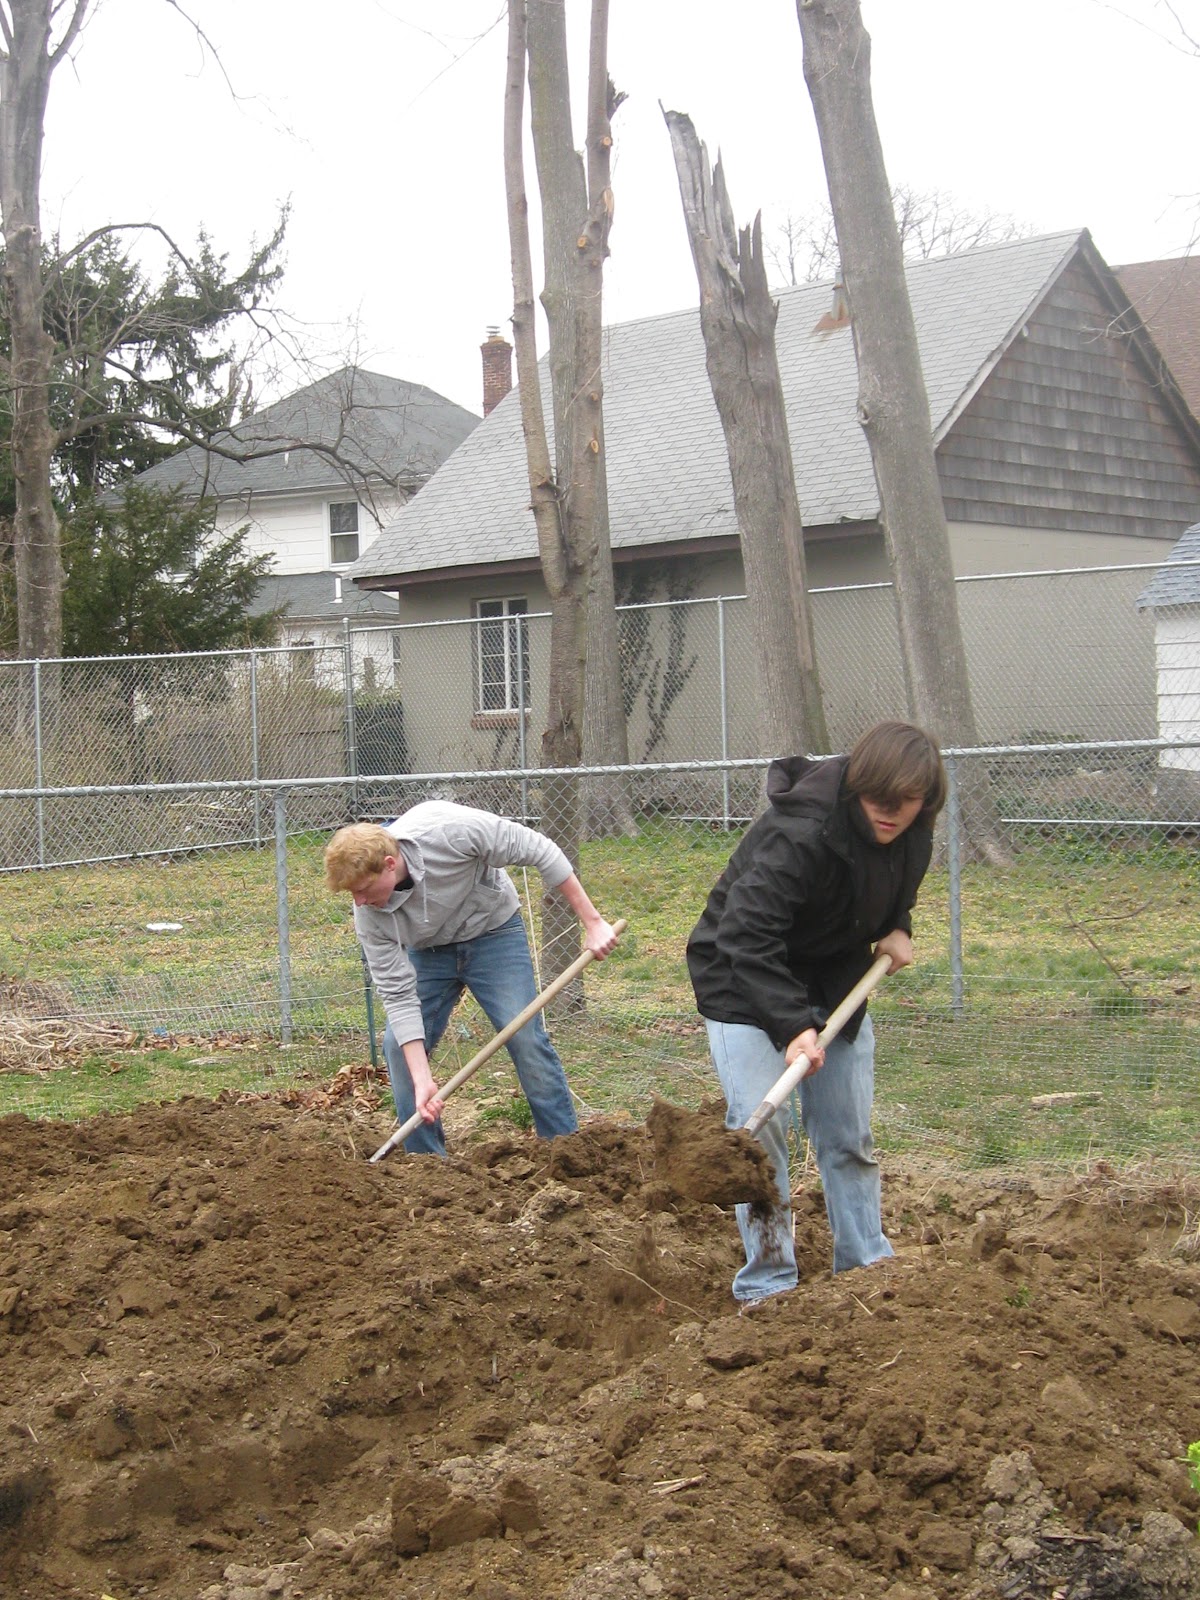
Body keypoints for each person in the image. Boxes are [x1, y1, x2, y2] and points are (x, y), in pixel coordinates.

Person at [686, 721, 946, 1304]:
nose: (891, 811)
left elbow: (888, 896)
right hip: (742, 978)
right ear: (858, 785)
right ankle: (769, 1282)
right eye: (880, 797)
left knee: (847, 1134)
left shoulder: (913, 836)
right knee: (760, 1131)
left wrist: (899, 925)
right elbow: (745, 935)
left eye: (907, 802)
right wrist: (791, 1026)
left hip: (833, 977)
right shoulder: (800, 833)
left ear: (924, 802)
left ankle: (866, 1264)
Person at [325, 801, 619, 1155]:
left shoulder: (450, 831)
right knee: (398, 1049)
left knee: (524, 1035)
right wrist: (423, 1081)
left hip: (493, 933)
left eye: (363, 889)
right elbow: (398, 995)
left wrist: (592, 922)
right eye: (351, 894)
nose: (358, 902)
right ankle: (427, 1164)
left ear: (390, 864)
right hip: (428, 951)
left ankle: (565, 1149)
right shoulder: (370, 916)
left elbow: (541, 850)